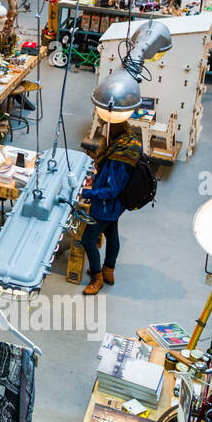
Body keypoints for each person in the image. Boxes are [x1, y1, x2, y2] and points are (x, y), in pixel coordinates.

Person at [77, 119, 143, 295]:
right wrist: (95, 180)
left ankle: (96, 279)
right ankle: (108, 270)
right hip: (115, 207)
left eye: (106, 128)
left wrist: (87, 193)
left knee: (87, 240)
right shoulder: (127, 140)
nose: (104, 134)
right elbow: (110, 178)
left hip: (107, 206)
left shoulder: (118, 159)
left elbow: (112, 190)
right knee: (111, 233)